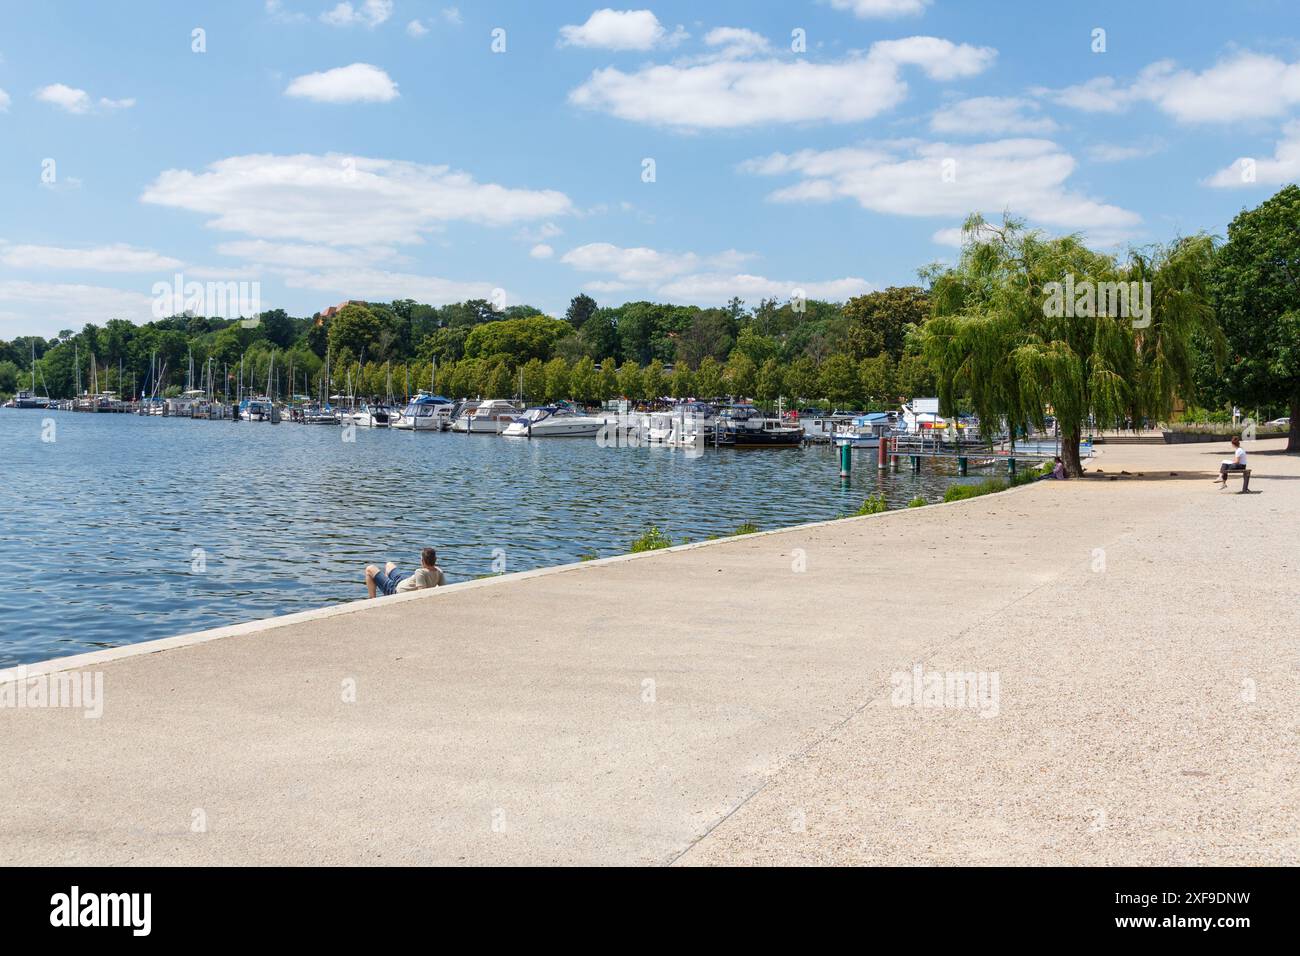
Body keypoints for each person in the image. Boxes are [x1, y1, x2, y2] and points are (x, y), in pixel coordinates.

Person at [366, 547, 446, 598]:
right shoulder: (439, 571)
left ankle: (373, 600)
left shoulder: (420, 572)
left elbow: (422, 594)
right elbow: (443, 589)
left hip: (396, 591)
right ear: (435, 560)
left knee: (369, 569)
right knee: (389, 564)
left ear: (422, 561)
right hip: (403, 581)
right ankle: (385, 591)